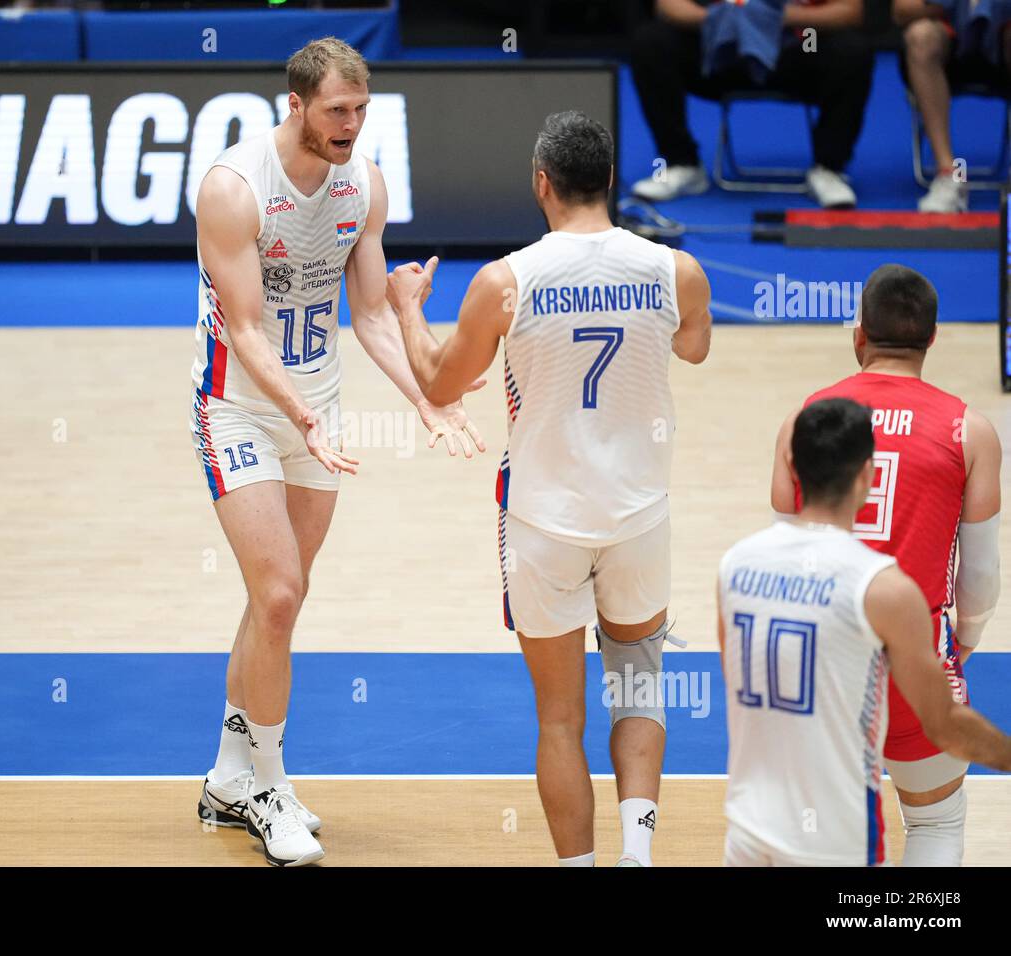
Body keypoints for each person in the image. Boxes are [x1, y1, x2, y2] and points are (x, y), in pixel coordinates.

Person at [384, 111, 712, 866]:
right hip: (638, 516)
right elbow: (692, 346)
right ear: (607, 181)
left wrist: (407, 309)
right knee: (637, 687)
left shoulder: (506, 282)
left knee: (559, 719)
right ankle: (638, 855)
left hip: (543, 520)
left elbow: (438, 379)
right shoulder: (675, 271)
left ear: (542, 183)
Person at [188, 37, 485, 867]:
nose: (352, 125)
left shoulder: (364, 186)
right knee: (279, 594)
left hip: (315, 408)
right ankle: (270, 787)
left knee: (277, 599)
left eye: (362, 109)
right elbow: (245, 329)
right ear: (296, 106)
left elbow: (372, 313)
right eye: (336, 112)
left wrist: (428, 400)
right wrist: (300, 414)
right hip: (237, 408)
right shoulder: (233, 189)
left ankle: (226, 773)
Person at [771, 264, 1002, 865]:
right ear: (933, 338)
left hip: (821, 657)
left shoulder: (805, 421)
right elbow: (979, 579)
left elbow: (784, 554)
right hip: (914, 658)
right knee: (935, 823)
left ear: (858, 337)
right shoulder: (968, 429)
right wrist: (965, 640)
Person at [722, 398, 1011, 866]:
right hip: (835, 839)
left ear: (792, 466)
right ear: (867, 477)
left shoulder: (735, 566)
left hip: (749, 831)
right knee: (933, 827)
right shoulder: (883, 589)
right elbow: (944, 724)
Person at [629, 0, 873, 208]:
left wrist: (774, 17)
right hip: (722, 47)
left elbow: (851, 11)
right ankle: (681, 162)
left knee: (852, 50)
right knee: (651, 41)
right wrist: (724, 19)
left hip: (800, 43)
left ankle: (829, 168)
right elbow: (667, 6)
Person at [894, 0, 1011, 213]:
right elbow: (902, 11)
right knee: (921, 35)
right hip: (947, 47)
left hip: (1003, 41)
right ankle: (949, 174)